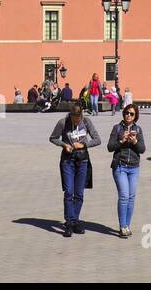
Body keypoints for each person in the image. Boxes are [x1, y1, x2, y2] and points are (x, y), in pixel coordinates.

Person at [49, 103, 101, 238]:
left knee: (79, 193)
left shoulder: (87, 122)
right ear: (70, 115)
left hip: (82, 160)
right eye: (74, 119)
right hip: (67, 161)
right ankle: (69, 222)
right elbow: (53, 138)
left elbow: (97, 140)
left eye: (78, 120)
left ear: (81, 116)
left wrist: (84, 144)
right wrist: (63, 144)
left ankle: (74, 220)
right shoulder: (62, 123)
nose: (76, 122)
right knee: (69, 192)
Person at [107, 102, 145, 238]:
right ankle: (122, 226)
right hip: (120, 166)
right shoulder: (117, 128)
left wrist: (134, 141)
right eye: (127, 113)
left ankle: (128, 225)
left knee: (131, 197)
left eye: (132, 114)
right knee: (124, 196)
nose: (129, 116)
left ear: (135, 116)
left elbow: (142, 149)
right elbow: (110, 147)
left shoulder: (138, 130)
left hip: (134, 167)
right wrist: (121, 141)